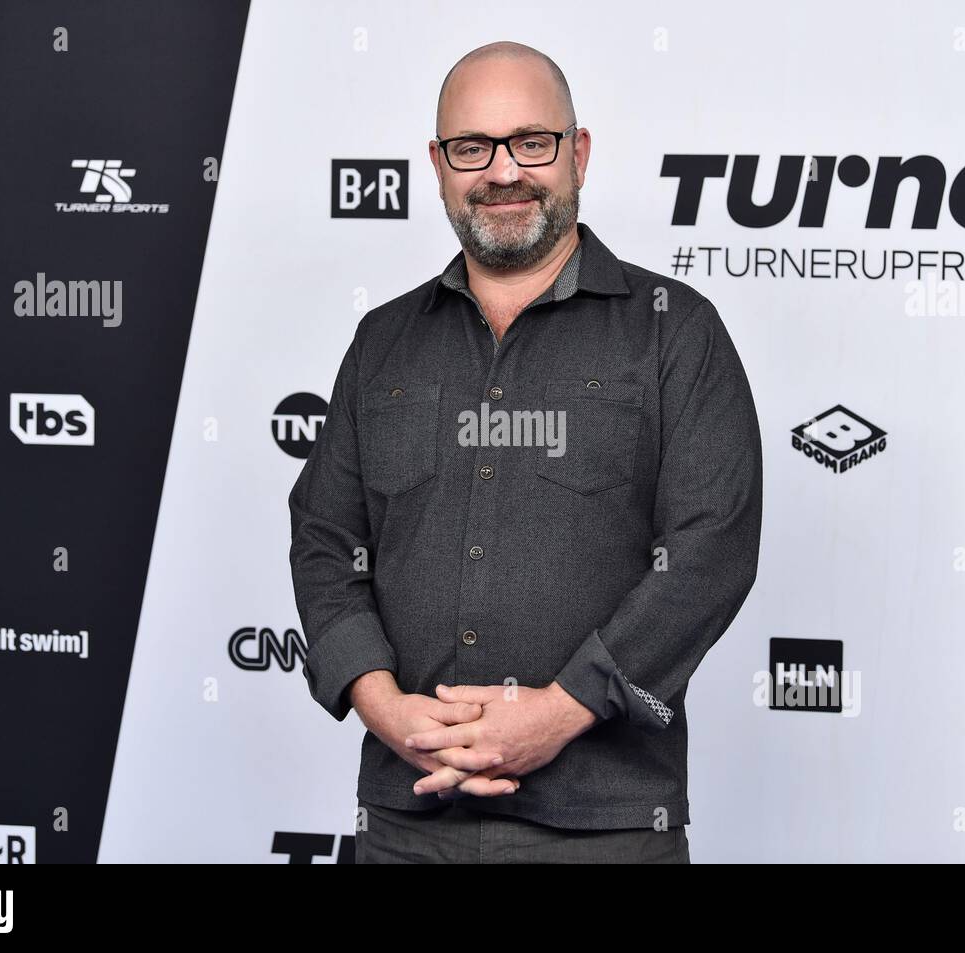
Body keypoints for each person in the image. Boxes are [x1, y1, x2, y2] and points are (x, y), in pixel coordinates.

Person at [288, 40, 762, 863]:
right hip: (407, 823)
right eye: (472, 147)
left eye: (531, 142)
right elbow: (326, 538)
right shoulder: (383, 343)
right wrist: (381, 702)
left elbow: (709, 550)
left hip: (605, 829)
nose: (503, 171)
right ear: (438, 165)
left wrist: (566, 707)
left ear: (577, 152)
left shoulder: (673, 330)